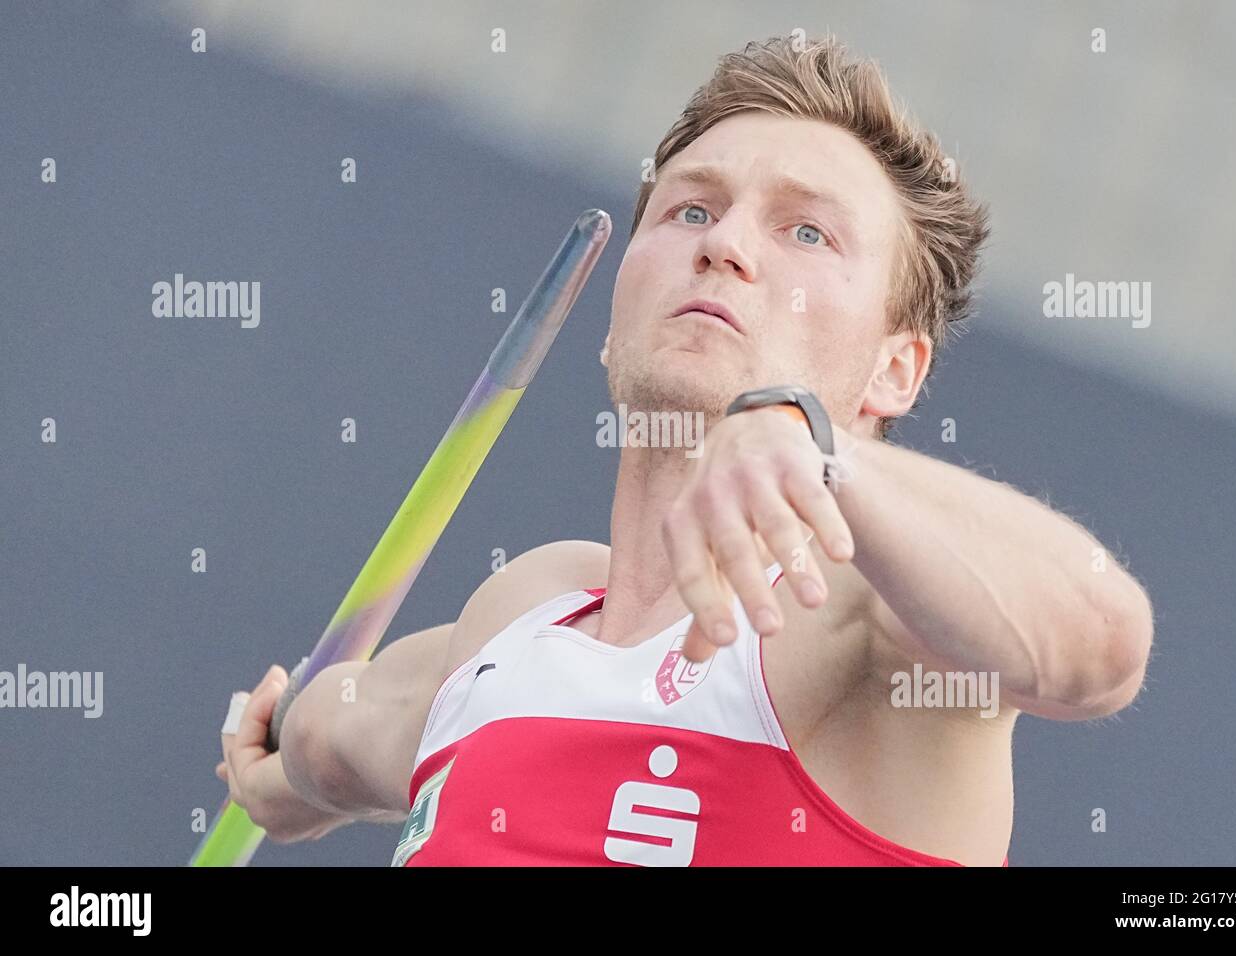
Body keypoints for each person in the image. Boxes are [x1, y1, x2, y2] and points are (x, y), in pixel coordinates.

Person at [217, 34, 1153, 867]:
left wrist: (811, 447)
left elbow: (1100, 645)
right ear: (614, 316)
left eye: (807, 231)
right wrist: (286, 759)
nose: (728, 245)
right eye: (691, 212)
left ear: (894, 372)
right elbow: (330, 732)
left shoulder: (861, 620)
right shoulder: (513, 622)